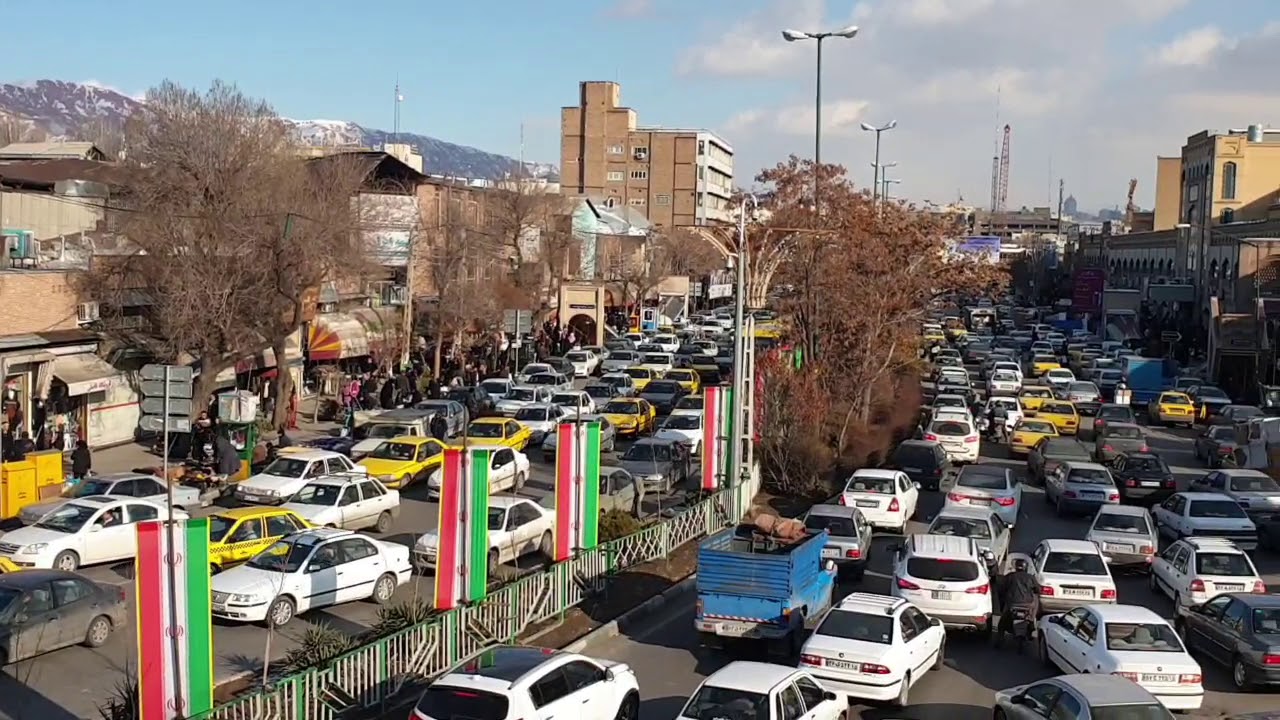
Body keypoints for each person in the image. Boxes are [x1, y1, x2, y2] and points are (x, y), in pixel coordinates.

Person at [996, 557, 1040, 647]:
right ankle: (1031, 625)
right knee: (1034, 606)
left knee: (1002, 623)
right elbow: (1038, 590)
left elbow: (1001, 589)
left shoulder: (1010, 576)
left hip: (1012, 603)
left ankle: (1000, 640)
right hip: (1028, 604)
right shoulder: (1030, 577)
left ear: (1016, 567)